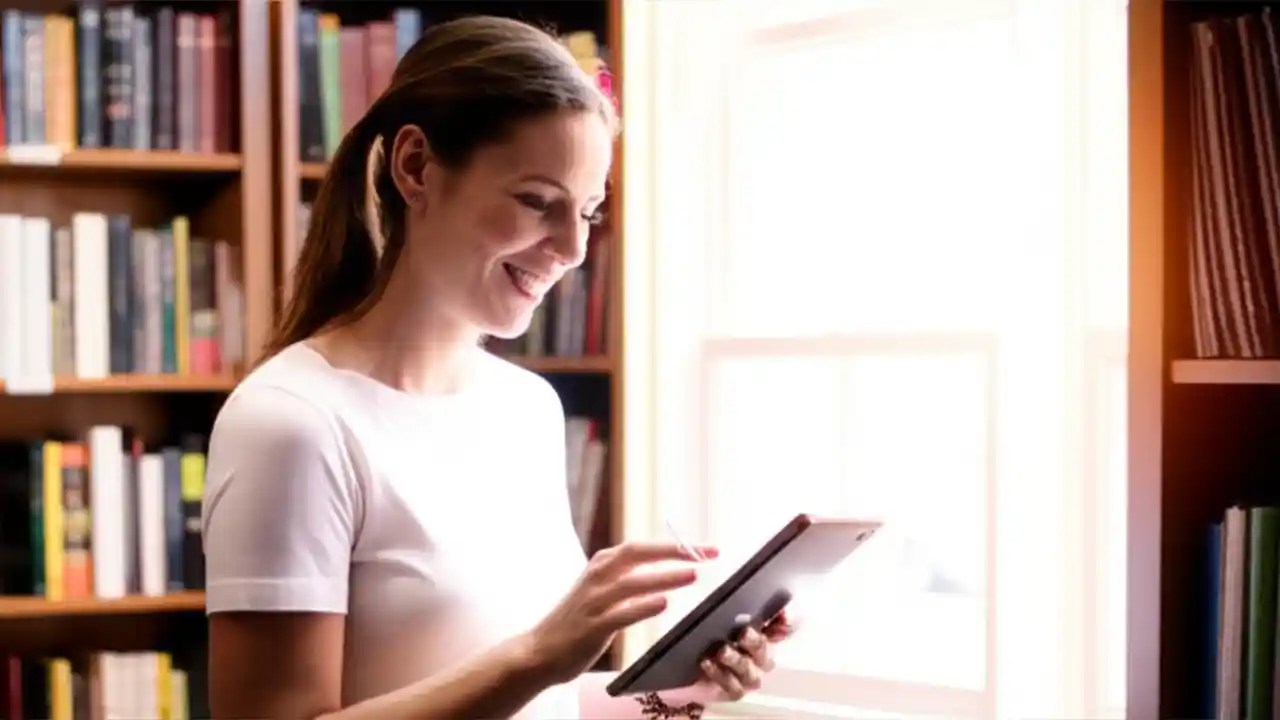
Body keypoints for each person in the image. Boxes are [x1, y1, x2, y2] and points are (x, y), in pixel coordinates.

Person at [200, 14, 794, 720]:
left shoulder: (527, 408)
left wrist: (684, 688)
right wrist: (538, 651)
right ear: (415, 167)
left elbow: (542, 707)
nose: (573, 248)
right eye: (538, 202)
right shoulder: (293, 425)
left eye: (590, 213)